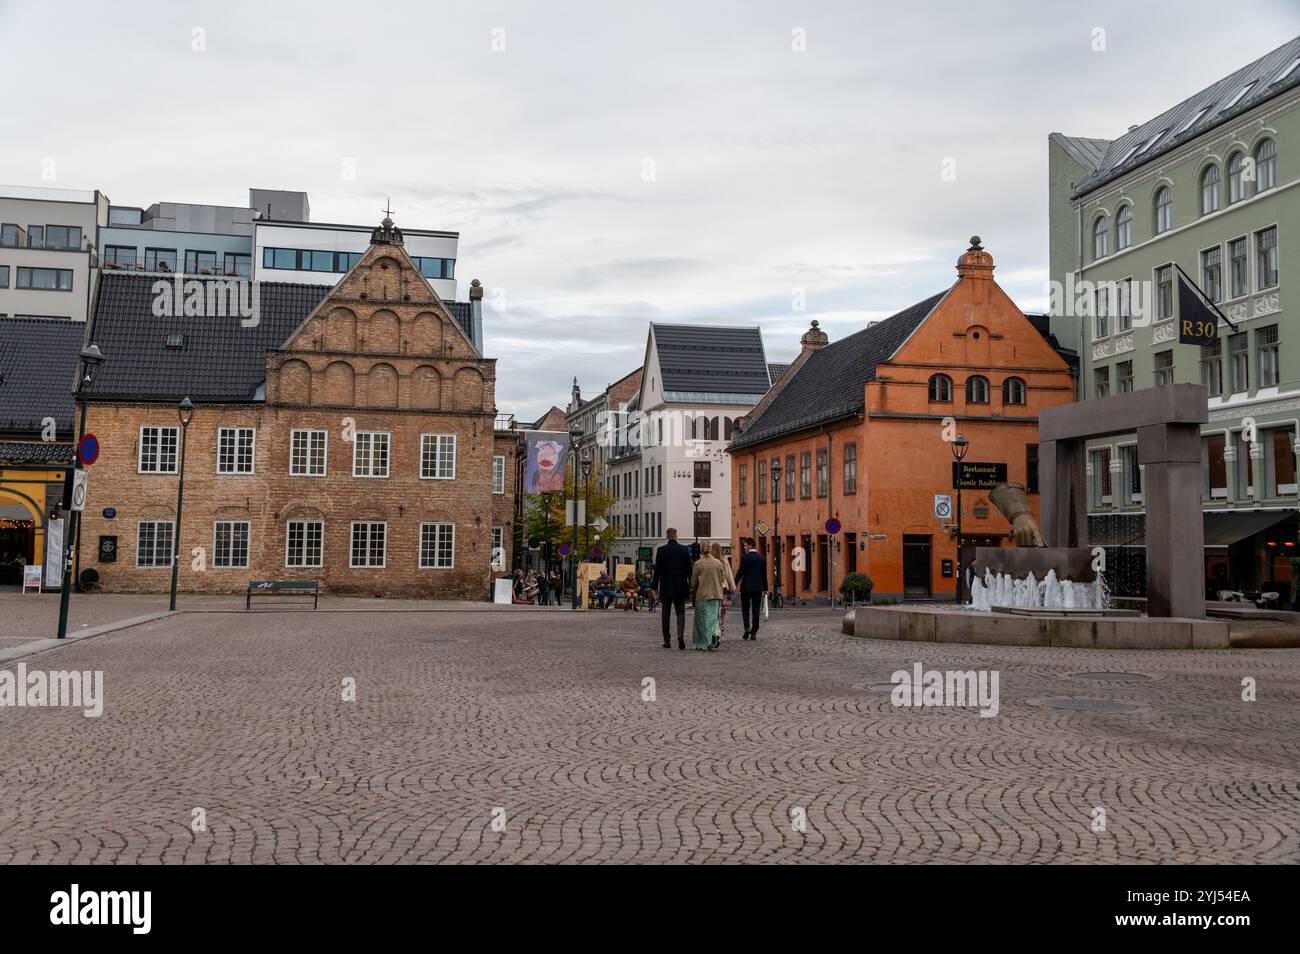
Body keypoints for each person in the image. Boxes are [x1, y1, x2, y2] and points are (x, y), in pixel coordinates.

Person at [652, 528, 692, 649]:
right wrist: (691, 585)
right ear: (676, 535)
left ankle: (667, 641)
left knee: (665, 614)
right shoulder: (684, 550)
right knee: (680, 612)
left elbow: (657, 571)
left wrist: (654, 587)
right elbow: (689, 570)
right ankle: (680, 636)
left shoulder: (661, 550)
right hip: (680, 586)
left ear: (667, 536)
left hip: (666, 586)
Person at [689, 545, 728, 651]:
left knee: (702, 620)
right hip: (716, 595)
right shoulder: (717, 563)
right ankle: (714, 635)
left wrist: (693, 589)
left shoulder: (698, 563)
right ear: (710, 550)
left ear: (701, 550)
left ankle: (702, 642)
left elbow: (693, 582)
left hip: (702, 595)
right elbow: (723, 578)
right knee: (714, 619)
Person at [735, 539, 768, 640]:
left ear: (750, 546)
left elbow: (740, 572)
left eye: (745, 546)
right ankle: (754, 632)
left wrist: (734, 584)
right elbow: (764, 575)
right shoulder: (761, 558)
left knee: (745, 608)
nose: (744, 548)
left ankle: (747, 628)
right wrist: (765, 588)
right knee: (756, 610)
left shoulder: (745, 558)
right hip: (758, 588)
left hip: (746, 587)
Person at [710, 543, 737, 638]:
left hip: (711, 589)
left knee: (712, 609)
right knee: (722, 609)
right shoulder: (724, 562)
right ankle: (720, 627)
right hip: (722, 589)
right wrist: (733, 588)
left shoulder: (709, 562)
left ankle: (713, 628)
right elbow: (729, 576)